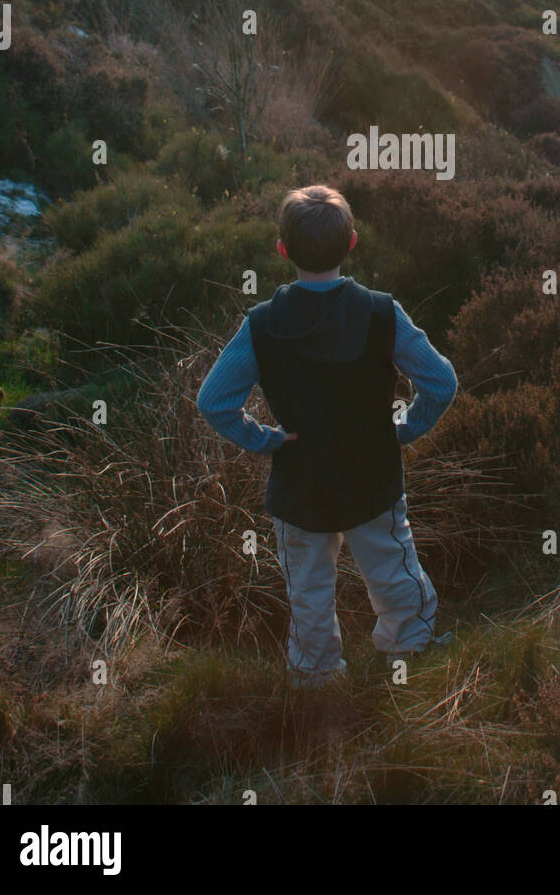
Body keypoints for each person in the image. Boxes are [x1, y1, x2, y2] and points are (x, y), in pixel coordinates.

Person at [196, 183, 459, 688]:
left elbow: (213, 402)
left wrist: (266, 440)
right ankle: (411, 655)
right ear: (352, 242)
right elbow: (441, 382)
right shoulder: (383, 312)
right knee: (395, 576)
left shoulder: (261, 325)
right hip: (373, 480)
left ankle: (315, 679)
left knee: (309, 592)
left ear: (282, 251)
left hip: (300, 487)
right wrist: (405, 430)